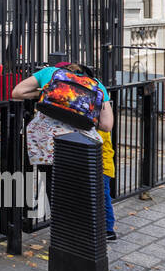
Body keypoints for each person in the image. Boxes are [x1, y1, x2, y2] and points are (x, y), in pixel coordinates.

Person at [10, 62, 115, 234]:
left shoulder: (48, 73)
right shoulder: (96, 84)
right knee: (80, 187)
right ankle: (86, 230)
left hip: (47, 143)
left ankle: (62, 229)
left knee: (54, 186)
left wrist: (43, 93)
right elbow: (107, 125)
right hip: (81, 145)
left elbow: (17, 92)